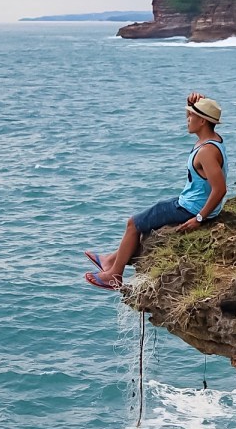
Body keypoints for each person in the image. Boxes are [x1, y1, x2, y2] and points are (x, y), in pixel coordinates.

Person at [84, 92, 228, 290]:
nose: (187, 119)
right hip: (192, 202)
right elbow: (198, 119)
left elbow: (220, 189)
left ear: (202, 121)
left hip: (191, 208)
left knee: (133, 224)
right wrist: (194, 104)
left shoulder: (206, 152)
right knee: (147, 222)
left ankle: (114, 275)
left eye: (191, 116)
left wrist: (200, 218)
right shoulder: (213, 140)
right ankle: (110, 260)